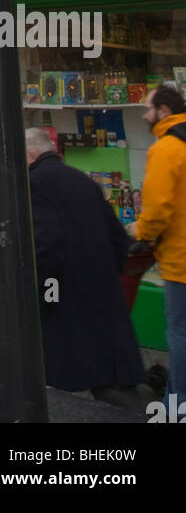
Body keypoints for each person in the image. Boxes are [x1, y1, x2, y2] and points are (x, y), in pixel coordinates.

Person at [25, 128, 145, 404]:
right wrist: (106, 278)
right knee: (111, 383)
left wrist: (46, 294)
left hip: (67, 302)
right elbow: (119, 239)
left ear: (30, 155)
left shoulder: (35, 184)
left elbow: (47, 248)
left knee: (64, 388)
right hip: (102, 296)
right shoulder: (83, 180)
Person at [130, 84, 186, 410]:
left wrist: (142, 234)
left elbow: (157, 209)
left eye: (148, 108)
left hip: (180, 260)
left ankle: (177, 405)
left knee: (179, 334)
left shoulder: (165, 149)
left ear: (164, 111)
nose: (144, 115)